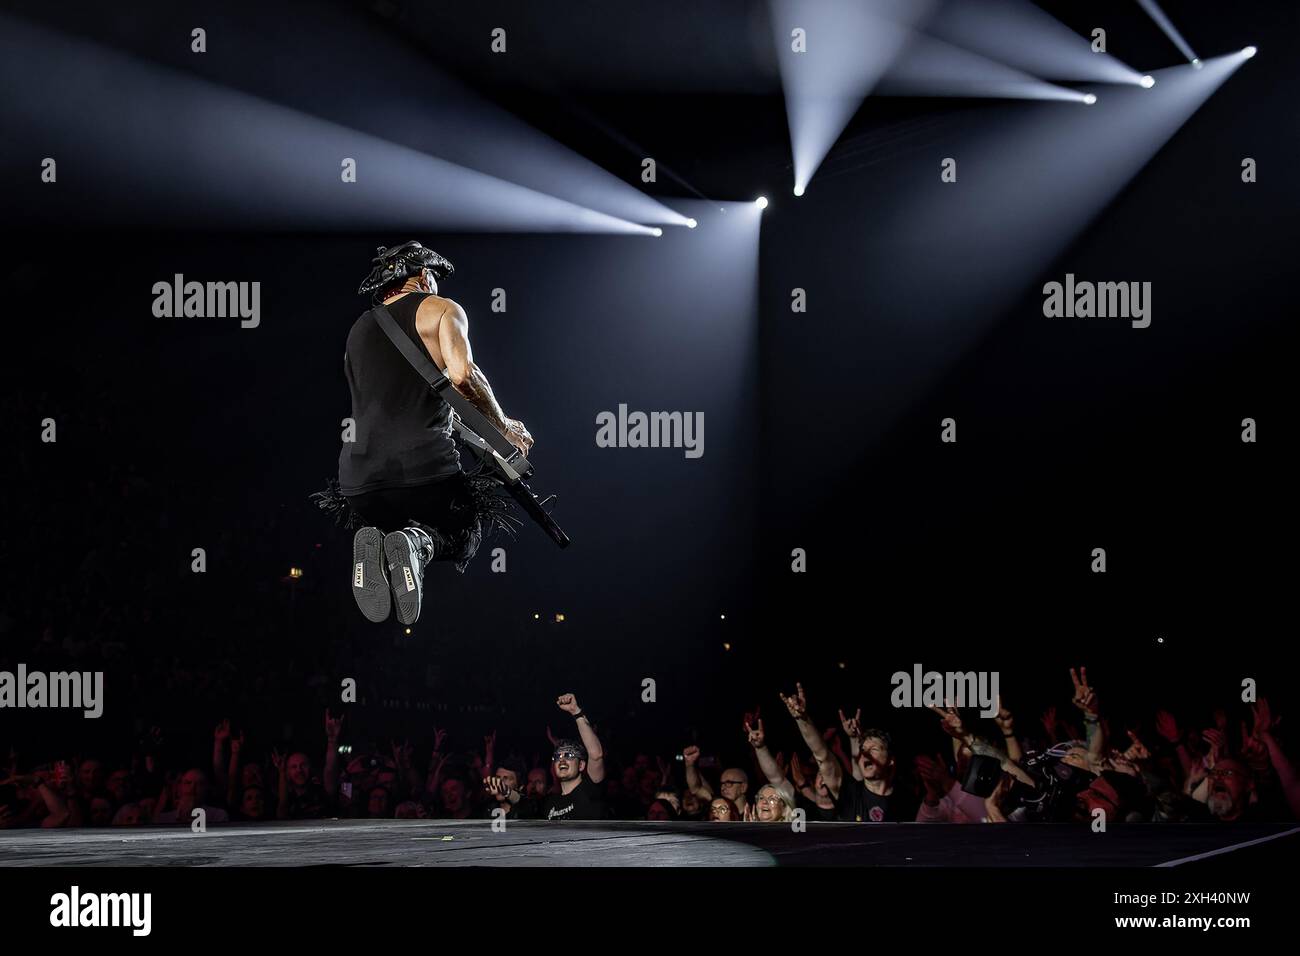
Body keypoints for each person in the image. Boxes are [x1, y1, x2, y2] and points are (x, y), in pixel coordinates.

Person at [313, 241, 531, 626]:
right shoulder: (442, 309)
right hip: (424, 471)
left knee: (390, 518)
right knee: (465, 530)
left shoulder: (358, 329)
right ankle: (419, 543)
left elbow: (391, 399)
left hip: (359, 483)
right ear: (425, 275)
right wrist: (504, 427)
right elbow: (464, 376)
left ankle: (376, 540)